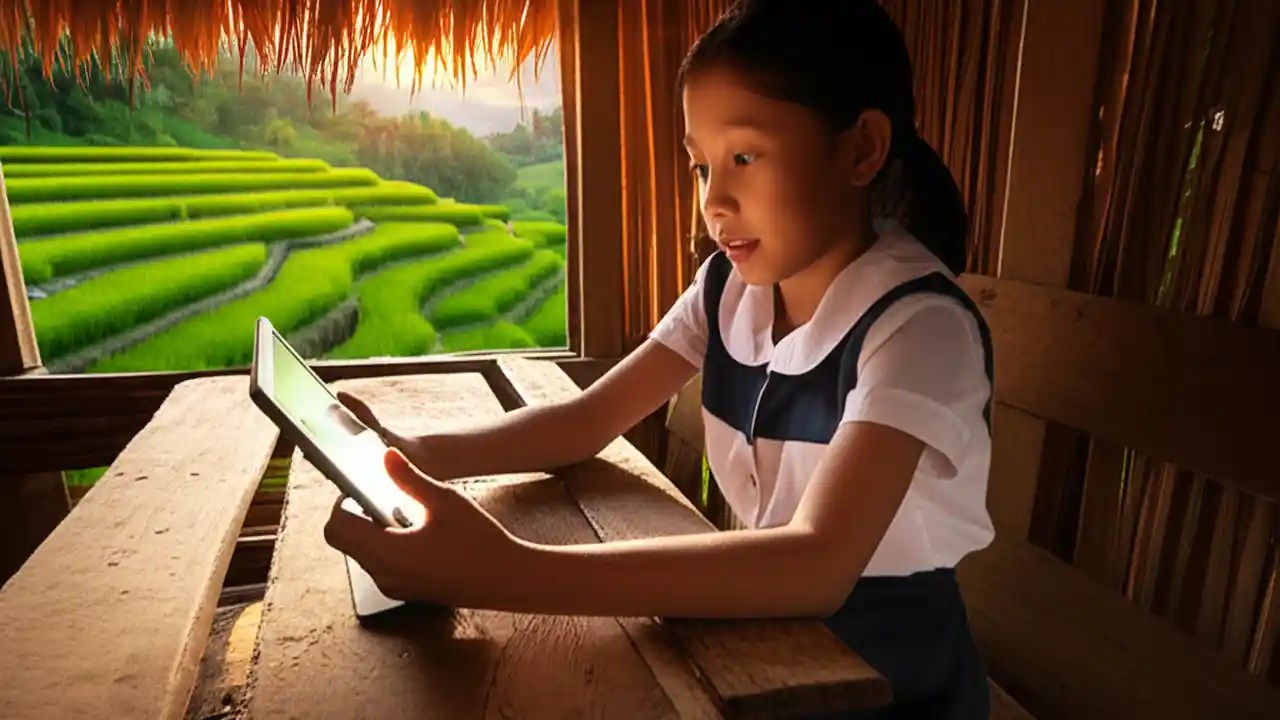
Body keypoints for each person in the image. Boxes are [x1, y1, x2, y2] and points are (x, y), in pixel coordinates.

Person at [323, 1, 995, 717]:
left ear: (861, 148)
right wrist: (414, 453)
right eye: (702, 165)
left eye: (745, 157)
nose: (715, 200)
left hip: (890, 681)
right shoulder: (728, 291)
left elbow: (817, 563)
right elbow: (588, 420)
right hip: (760, 638)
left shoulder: (921, 328)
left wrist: (507, 571)